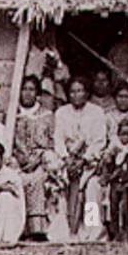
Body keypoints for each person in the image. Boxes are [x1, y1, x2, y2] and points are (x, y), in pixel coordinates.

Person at [54, 75, 109, 240]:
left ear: (86, 93)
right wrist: (66, 158)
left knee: (91, 187)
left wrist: (84, 159)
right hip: (67, 161)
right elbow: (59, 139)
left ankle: (91, 230)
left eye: (80, 91)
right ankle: (67, 229)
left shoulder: (97, 112)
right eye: (72, 92)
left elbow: (99, 141)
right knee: (60, 185)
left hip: (89, 161)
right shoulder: (62, 112)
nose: (76, 95)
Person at [13, 74, 62, 242]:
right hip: (18, 161)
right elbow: (8, 142)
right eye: (24, 89)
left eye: (31, 90)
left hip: (41, 160)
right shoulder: (13, 114)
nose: (27, 93)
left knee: (37, 180)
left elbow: (53, 141)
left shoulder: (47, 116)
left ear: (38, 94)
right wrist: (20, 158)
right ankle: (19, 229)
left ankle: (37, 230)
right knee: (18, 179)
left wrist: (39, 157)